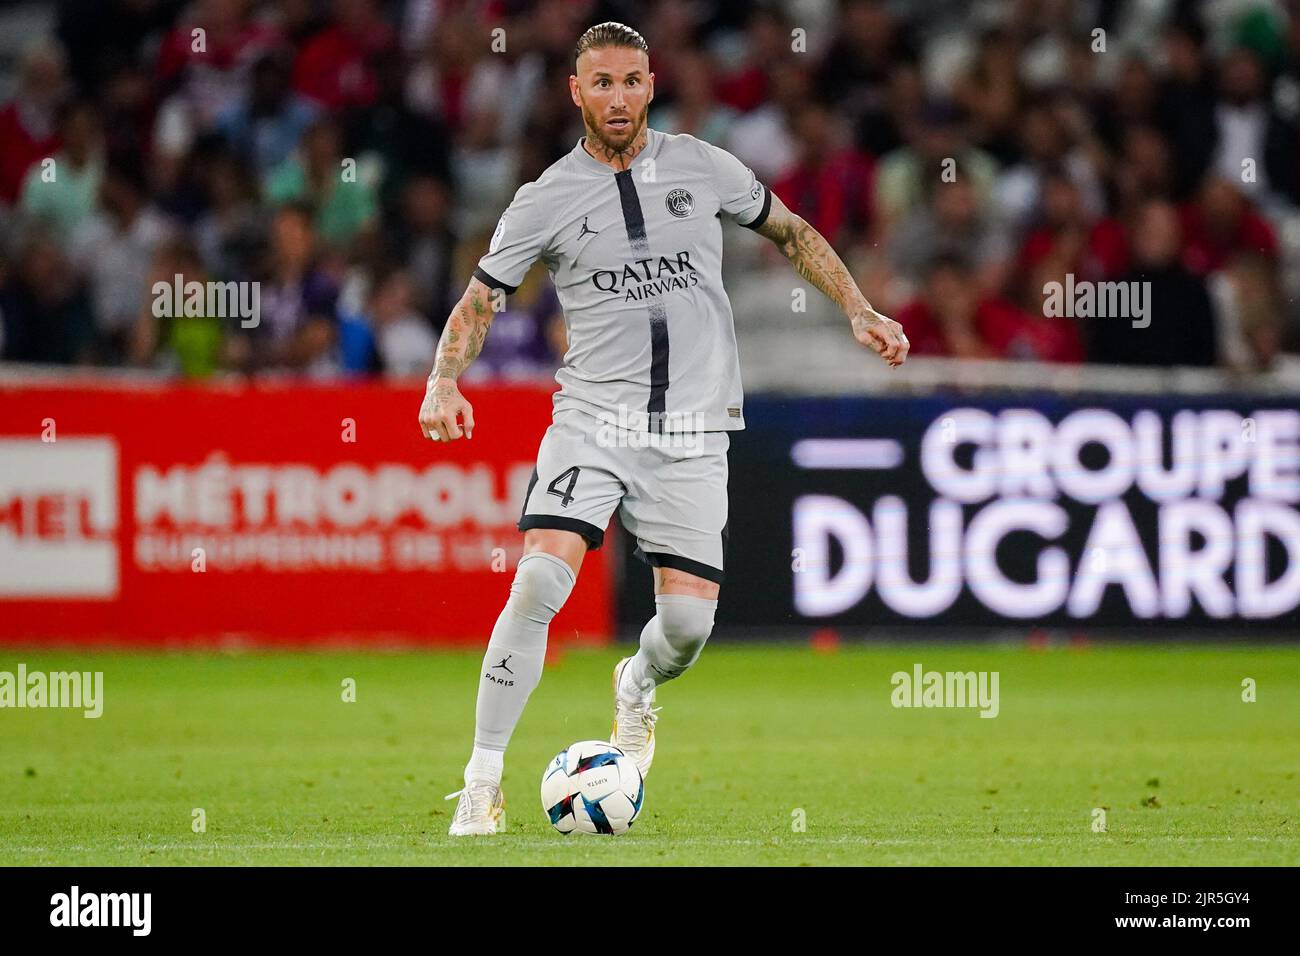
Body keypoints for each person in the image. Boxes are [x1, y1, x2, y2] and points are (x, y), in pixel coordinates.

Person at [416, 22, 909, 836]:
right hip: (592, 419)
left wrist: (857, 308)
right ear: (576, 92)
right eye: (601, 83)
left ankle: (636, 687)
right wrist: (442, 379)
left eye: (633, 81)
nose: (618, 97)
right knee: (539, 580)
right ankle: (480, 783)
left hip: (693, 428)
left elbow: (790, 230)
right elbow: (481, 297)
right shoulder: (542, 198)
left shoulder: (703, 165)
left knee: (684, 629)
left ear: (652, 85)